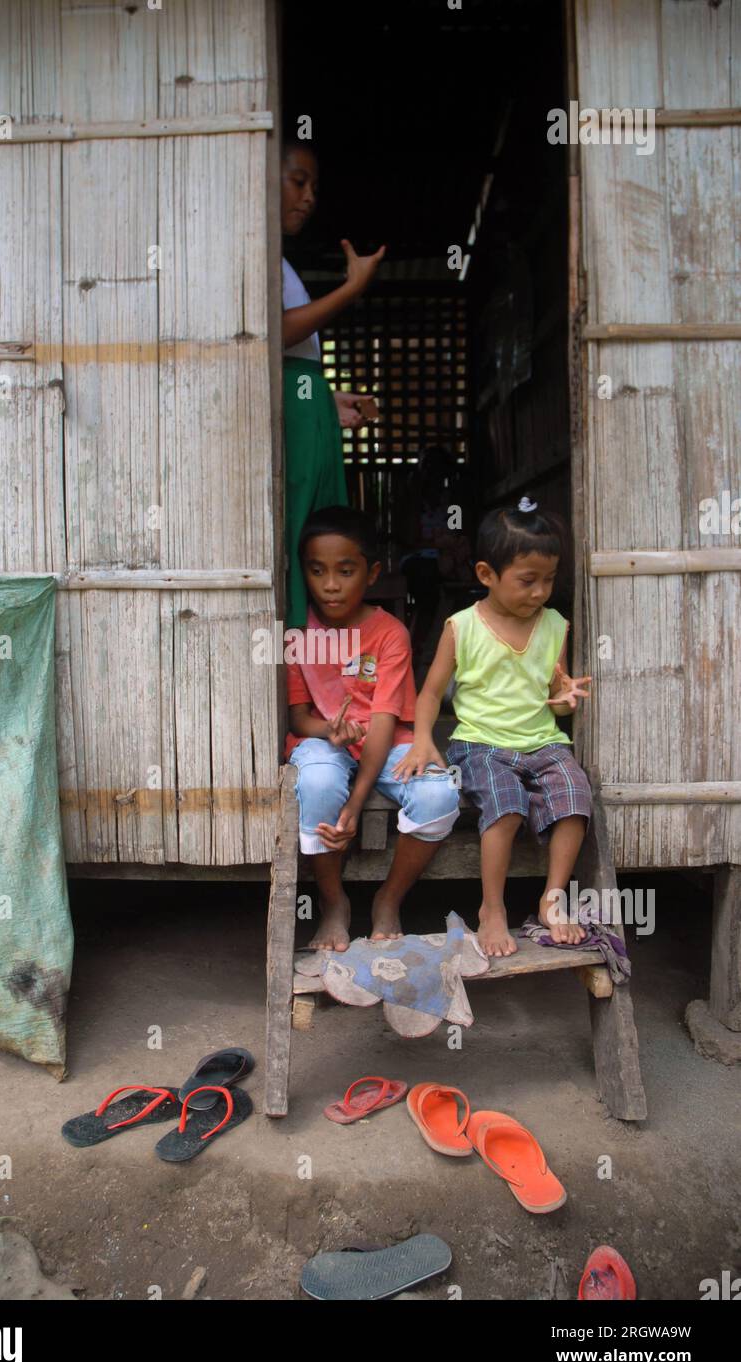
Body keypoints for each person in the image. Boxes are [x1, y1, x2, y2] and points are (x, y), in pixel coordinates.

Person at [394, 498, 593, 958]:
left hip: (543, 741)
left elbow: (556, 697)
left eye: (549, 579)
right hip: (480, 744)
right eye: (528, 581)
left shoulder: (556, 626)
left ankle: (552, 898)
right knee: (506, 804)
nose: (540, 591)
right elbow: (429, 693)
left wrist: (564, 702)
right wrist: (423, 738)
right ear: (487, 574)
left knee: (575, 794)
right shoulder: (462, 627)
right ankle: (492, 909)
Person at [286, 506, 460, 951]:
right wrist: (329, 730)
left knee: (439, 793)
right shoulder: (297, 632)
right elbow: (298, 716)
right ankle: (333, 903)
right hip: (323, 740)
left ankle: (388, 899)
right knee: (320, 781)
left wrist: (358, 802)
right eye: (317, 570)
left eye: (345, 571)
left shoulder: (389, 633)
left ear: (372, 572)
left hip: (387, 741)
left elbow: (384, 720)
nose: (330, 584)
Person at [281, 139, 386, 627]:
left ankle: (316, 653)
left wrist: (326, 399)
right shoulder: (259, 258)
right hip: (297, 406)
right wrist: (351, 289)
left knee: (319, 524)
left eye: (314, 187)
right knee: (301, 528)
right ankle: (298, 647)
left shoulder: (280, 262)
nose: (309, 197)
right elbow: (275, 333)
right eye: (298, 182)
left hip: (306, 403)